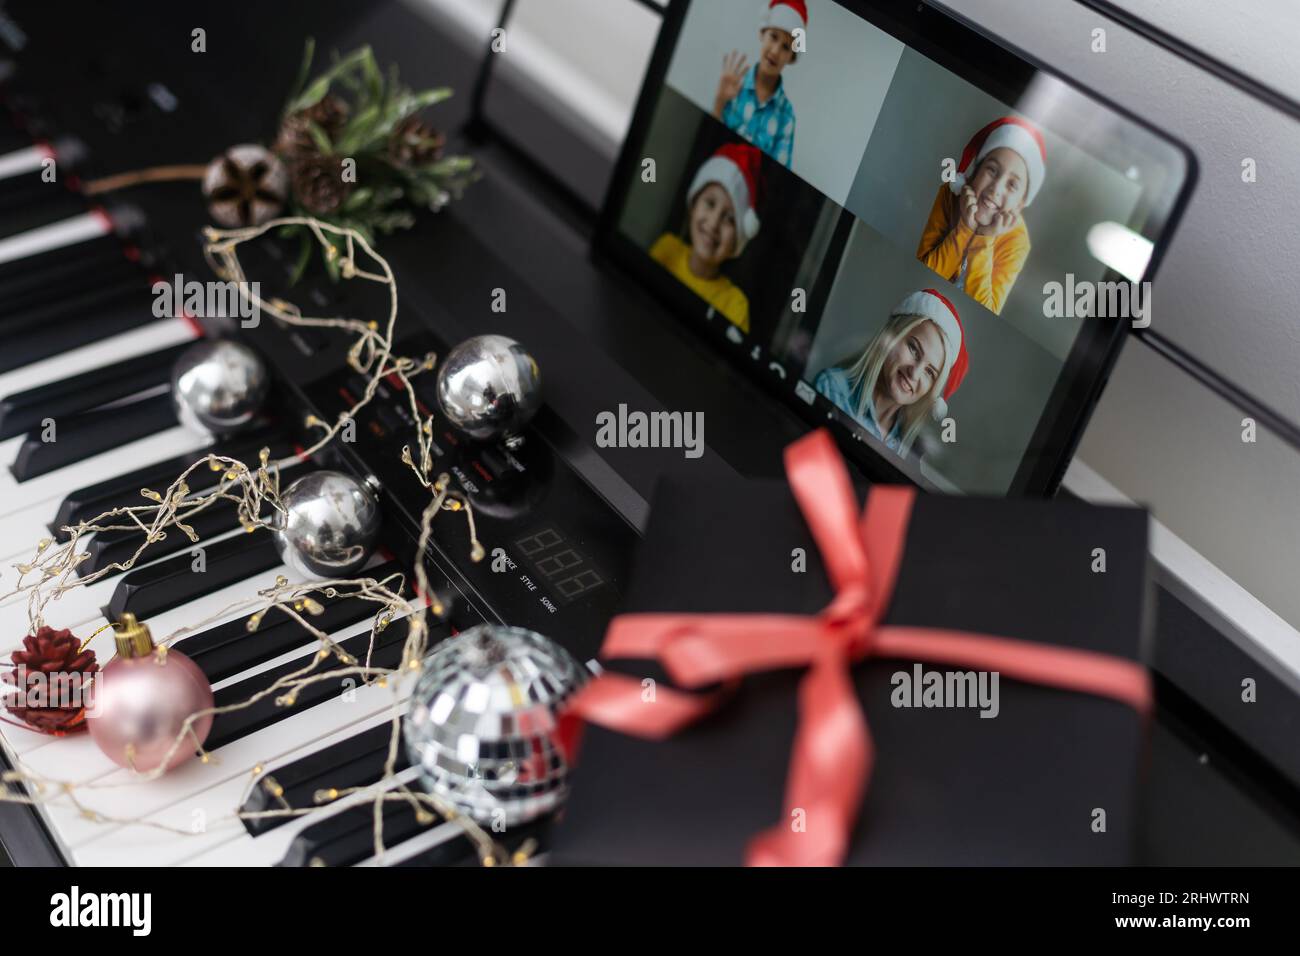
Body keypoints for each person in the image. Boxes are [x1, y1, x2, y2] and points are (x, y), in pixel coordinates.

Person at [814, 288, 969, 456]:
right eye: (913, 349)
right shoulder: (831, 388)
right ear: (892, 337)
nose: (914, 373)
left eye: (929, 372)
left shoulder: (911, 448)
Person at [916, 116, 1047, 315]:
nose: (996, 188)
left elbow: (986, 310)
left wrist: (984, 238)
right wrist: (964, 229)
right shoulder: (950, 194)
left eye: (1012, 185)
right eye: (992, 170)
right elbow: (921, 272)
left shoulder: (1018, 241)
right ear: (975, 171)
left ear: (1020, 204)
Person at [650, 143, 762, 333]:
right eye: (710, 203)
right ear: (693, 205)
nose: (713, 223)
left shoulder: (735, 305)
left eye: (729, 219)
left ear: (737, 241)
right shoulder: (666, 247)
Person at [712, 0, 807, 167]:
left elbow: (775, 174)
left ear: (792, 57)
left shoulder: (787, 116)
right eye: (773, 37)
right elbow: (709, 139)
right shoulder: (734, 83)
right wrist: (719, 101)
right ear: (762, 33)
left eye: (785, 47)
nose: (775, 51)